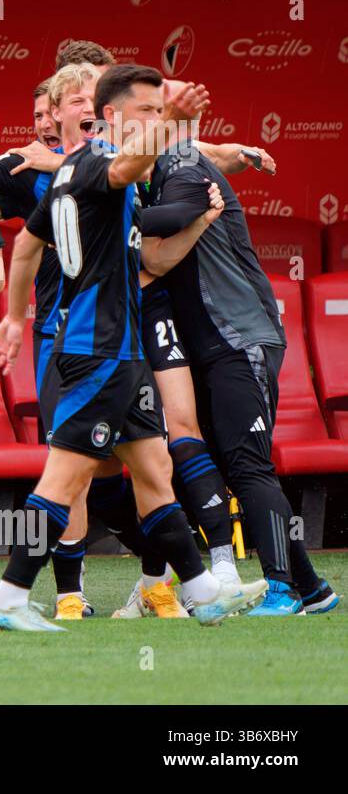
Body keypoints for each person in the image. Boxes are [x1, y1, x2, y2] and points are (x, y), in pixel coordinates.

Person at [0, 63, 268, 631]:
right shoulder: (97, 165)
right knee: (62, 481)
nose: (156, 122)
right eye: (147, 111)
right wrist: (179, 122)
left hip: (122, 352)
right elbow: (130, 163)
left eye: (161, 113)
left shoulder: (68, 173)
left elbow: (26, 248)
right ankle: (10, 598)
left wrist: (14, 317)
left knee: (155, 474)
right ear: (109, 117)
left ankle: (204, 592)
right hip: (99, 350)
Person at [148, 129, 340, 616]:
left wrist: (99, 213)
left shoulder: (180, 166)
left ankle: (282, 590)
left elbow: (175, 215)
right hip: (209, 347)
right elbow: (211, 150)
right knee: (232, 466)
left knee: (249, 468)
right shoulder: (159, 164)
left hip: (241, 339)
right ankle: (312, 587)